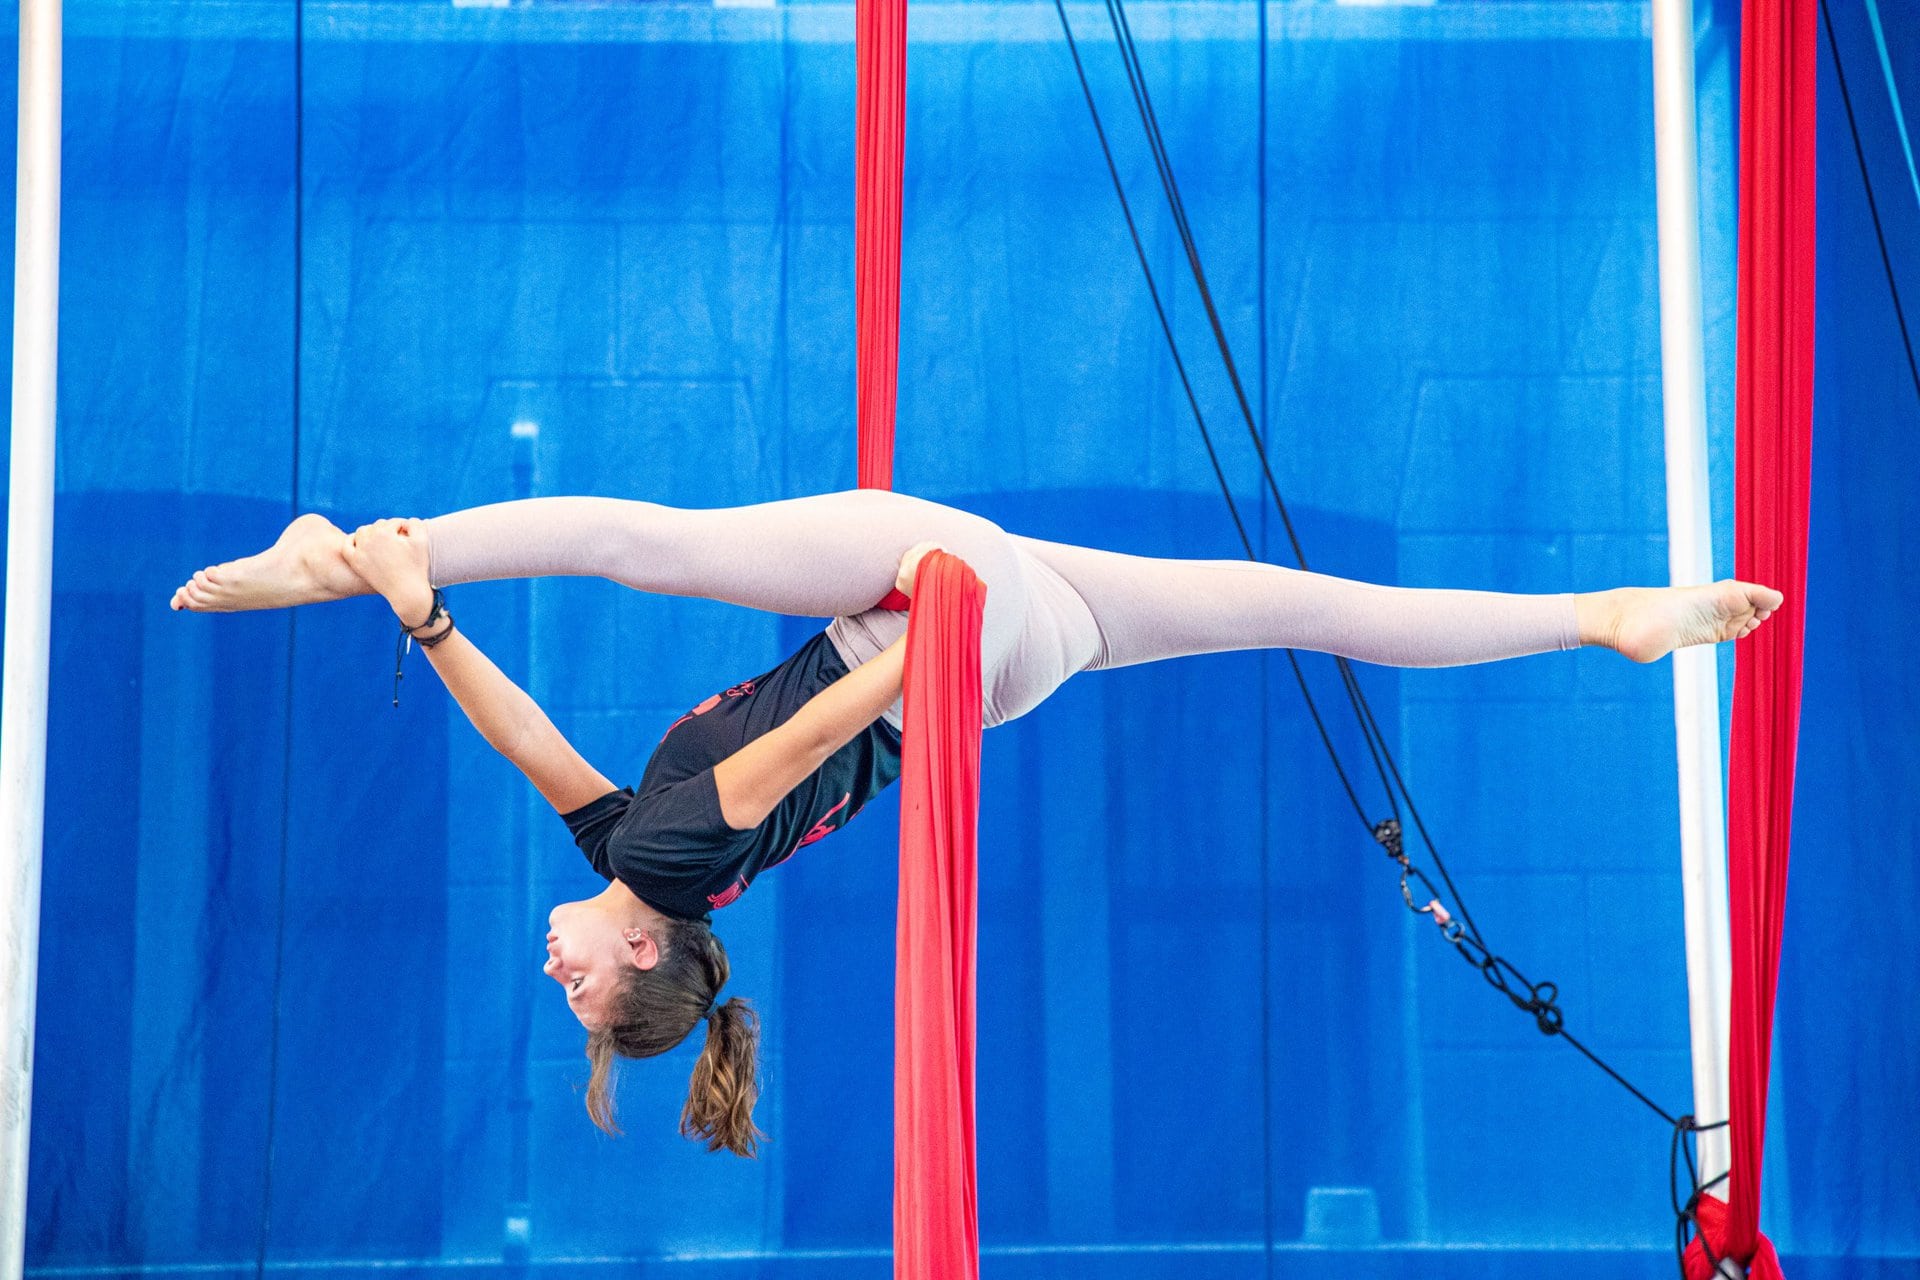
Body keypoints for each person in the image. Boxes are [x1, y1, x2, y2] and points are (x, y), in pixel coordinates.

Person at [169, 489, 1782, 1156]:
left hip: (1019, 658)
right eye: (585, 995)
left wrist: (426, 619)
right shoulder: (667, 864)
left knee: (1294, 606)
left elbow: (523, 736)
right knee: (643, 544)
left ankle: (1601, 618)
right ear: (644, 955)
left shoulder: (630, 860)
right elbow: (808, 729)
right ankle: (338, 556)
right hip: (927, 626)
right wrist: (927, 635)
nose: (557, 975)